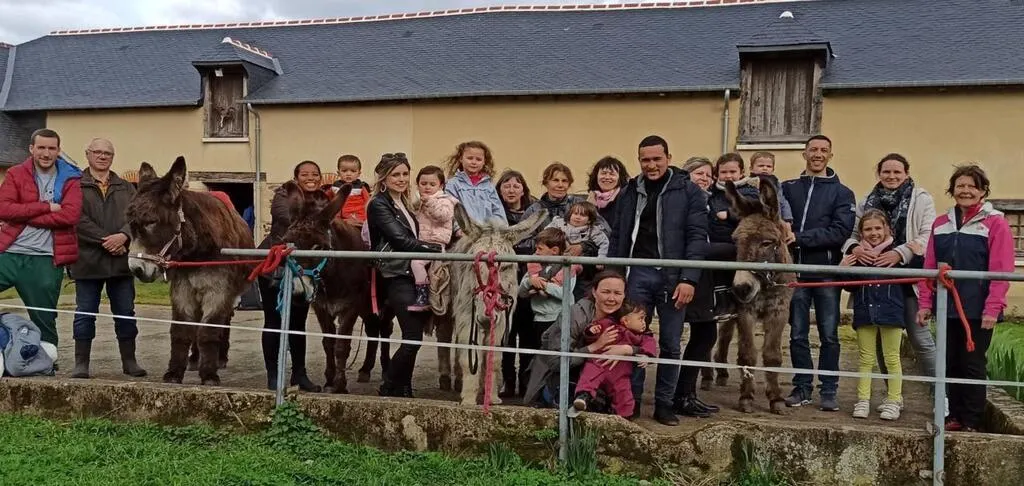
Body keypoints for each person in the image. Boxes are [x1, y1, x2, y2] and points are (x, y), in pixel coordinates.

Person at [609, 135, 709, 426]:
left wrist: (689, 278)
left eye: (656, 159)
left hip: (672, 275)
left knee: (670, 343)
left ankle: (665, 404)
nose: (651, 165)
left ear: (668, 157)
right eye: (645, 160)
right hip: (637, 272)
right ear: (639, 160)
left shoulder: (689, 192)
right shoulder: (629, 191)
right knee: (632, 339)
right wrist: (616, 275)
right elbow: (618, 235)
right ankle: (632, 400)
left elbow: (696, 238)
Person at [917, 164, 1014, 432]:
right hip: (946, 306)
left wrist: (993, 308)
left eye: (972, 186)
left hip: (977, 308)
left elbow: (1001, 268)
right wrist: (925, 303)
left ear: (983, 191)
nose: (966, 191)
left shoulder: (995, 223)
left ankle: (971, 419)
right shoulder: (940, 224)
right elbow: (929, 267)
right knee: (949, 363)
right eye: (961, 186)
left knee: (972, 364)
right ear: (952, 190)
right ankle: (955, 416)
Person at [842, 153, 937, 405]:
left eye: (897, 172)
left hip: (909, 275)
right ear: (879, 173)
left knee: (920, 338)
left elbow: (929, 235)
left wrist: (899, 252)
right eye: (886, 172)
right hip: (876, 278)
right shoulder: (867, 201)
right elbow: (852, 233)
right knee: (884, 343)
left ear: (906, 173)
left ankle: (942, 396)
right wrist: (854, 248)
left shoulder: (921, 199)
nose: (892, 176)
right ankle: (893, 396)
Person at [781, 134, 856, 412]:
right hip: (795, 273)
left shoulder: (842, 193)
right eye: (813, 149)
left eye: (824, 150)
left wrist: (799, 238)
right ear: (804, 154)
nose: (818, 154)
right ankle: (802, 387)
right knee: (797, 334)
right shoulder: (787, 188)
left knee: (829, 334)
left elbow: (839, 232)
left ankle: (829, 389)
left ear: (830, 156)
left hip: (826, 273)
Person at [0, 128, 83, 361]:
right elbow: (4, 208)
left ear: (58, 150)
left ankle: (47, 362)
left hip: (45, 259)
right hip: (9, 252)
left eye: (52, 148)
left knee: (44, 318)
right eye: (41, 148)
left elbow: (70, 216)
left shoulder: (71, 179)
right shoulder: (16, 173)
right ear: (31, 149)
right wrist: (45, 207)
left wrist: (23, 213)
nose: (46, 153)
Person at [68, 138, 146, 379]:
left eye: (107, 153)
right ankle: (81, 363)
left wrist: (123, 235)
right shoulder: (74, 186)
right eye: (98, 152)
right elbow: (76, 219)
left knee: (125, 313)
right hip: (87, 261)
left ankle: (129, 361)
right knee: (85, 313)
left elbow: (138, 216)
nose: (102, 157)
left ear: (113, 157)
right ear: (87, 154)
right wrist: (107, 241)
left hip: (121, 263)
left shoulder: (126, 187)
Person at [368, 153, 443, 398]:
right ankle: (389, 384)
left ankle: (404, 387)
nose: (401, 179)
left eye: (404, 174)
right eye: (395, 175)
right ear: (384, 178)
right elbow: (399, 240)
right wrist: (434, 249)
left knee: (413, 336)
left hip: (410, 272)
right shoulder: (379, 204)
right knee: (412, 338)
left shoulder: (404, 203)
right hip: (396, 274)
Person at [522, 271, 646, 410]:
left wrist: (628, 350)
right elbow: (556, 362)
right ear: (594, 292)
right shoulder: (574, 315)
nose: (611, 298)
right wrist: (594, 347)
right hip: (557, 377)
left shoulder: (625, 316)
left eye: (617, 293)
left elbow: (645, 340)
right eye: (605, 292)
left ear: (624, 295)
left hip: (602, 378)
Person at [256, 160, 325, 393]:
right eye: (305, 174)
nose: (310, 177)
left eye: (315, 174)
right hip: (276, 267)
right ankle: (274, 374)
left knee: (298, 323)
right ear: (296, 177)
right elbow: (291, 220)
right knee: (274, 322)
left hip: (304, 269)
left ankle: (299, 374)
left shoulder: (323, 198)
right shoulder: (282, 196)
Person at [840, 210, 914, 421]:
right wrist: (843, 268)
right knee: (865, 359)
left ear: (887, 229)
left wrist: (914, 254)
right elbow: (847, 287)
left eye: (878, 228)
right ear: (861, 233)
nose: (873, 233)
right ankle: (863, 400)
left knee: (892, 358)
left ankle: (893, 400)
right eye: (868, 229)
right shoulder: (857, 257)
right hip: (865, 312)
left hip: (891, 312)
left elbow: (916, 274)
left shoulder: (897, 255)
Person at [673, 156, 721, 417]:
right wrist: (733, 249)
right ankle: (679, 394)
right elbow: (696, 241)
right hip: (688, 275)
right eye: (700, 173)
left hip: (704, 276)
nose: (706, 179)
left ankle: (686, 392)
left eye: (709, 175)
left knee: (705, 335)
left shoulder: (709, 202)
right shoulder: (684, 201)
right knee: (693, 335)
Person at [572, 301, 657, 419]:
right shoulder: (609, 324)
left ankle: (625, 417)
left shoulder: (641, 336)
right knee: (588, 377)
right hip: (598, 364)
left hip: (620, 373)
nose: (644, 323)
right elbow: (592, 333)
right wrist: (591, 330)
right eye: (641, 319)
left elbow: (649, 344)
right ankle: (583, 396)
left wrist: (646, 356)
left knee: (623, 393)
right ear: (625, 321)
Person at [496, 169, 537, 398]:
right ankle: (508, 380)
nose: (511, 190)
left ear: (523, 189)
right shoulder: (495, 214)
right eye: (506, 185)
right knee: (507, 334)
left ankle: (527, 380)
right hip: (503, 282)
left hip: (529, 279)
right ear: (499, 190)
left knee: (529, 333)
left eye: (516, 185)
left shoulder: (533, 213)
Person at [518, 228, 574, 369]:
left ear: (554, 250)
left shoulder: (568, 268)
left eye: (540, 249)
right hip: (539, 319)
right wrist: (530, 282)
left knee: (554, 357)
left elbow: (565, 294)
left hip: (559, 319)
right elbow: (521, 292)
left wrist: (544, 286)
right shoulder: (534, 268)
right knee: (539, 358)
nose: (536, 252)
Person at [410, 165, 458, 311]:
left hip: (435, 243)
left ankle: (422, 296)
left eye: (432, 184)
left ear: (441, 186)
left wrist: (430, 202)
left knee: (416, 263)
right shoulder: (419, 202)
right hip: (422, 242)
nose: (427, 187)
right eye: (423, 184)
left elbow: (443, 216)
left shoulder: (446, 200)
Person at [444, 141, 506, 225]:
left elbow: (497, 210)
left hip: (487, 233)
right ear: (461, 159)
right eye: (470, 158)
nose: (474, 162)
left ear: (484, 162)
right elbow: (451, 211)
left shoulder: (488, 186)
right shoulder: (453, 184)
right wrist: (458, 229)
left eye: (478, 159)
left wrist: (499, 228)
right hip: (464, 233)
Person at [544, 201, 609, 260]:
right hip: (558, 257)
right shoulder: (559, 223)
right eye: (575, 213)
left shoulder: (593, 231)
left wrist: (600, 259)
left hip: (580, 261)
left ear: (589, 220)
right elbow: (546, 233)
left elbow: (604, 243)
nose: (578, 217)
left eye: (582, 215)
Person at [586, 156, 630, 233]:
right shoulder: (589, 200)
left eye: (612, 174)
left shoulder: (625, 199)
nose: (607, 177)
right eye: (603, 173)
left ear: (620, 178)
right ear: (596, 176)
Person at [749, 151, 794, 226]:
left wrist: (787, 219)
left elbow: (782, 201)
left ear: (773, 169)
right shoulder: (748, 182)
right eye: (761, 166)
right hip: (754, 221)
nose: (765, 168)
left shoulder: (776, 183)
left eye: (769, 166)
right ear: (751, 168)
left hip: (775, 221)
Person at [329, 154, 371, 227]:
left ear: (358, 174)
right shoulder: (335, 187)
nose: (348, 174)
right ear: (338, 173)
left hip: (358, 217)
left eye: (353, 171)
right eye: (344, 171)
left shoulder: (360, 187)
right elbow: (327, 199)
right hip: (340, 219)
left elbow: (369, 202)